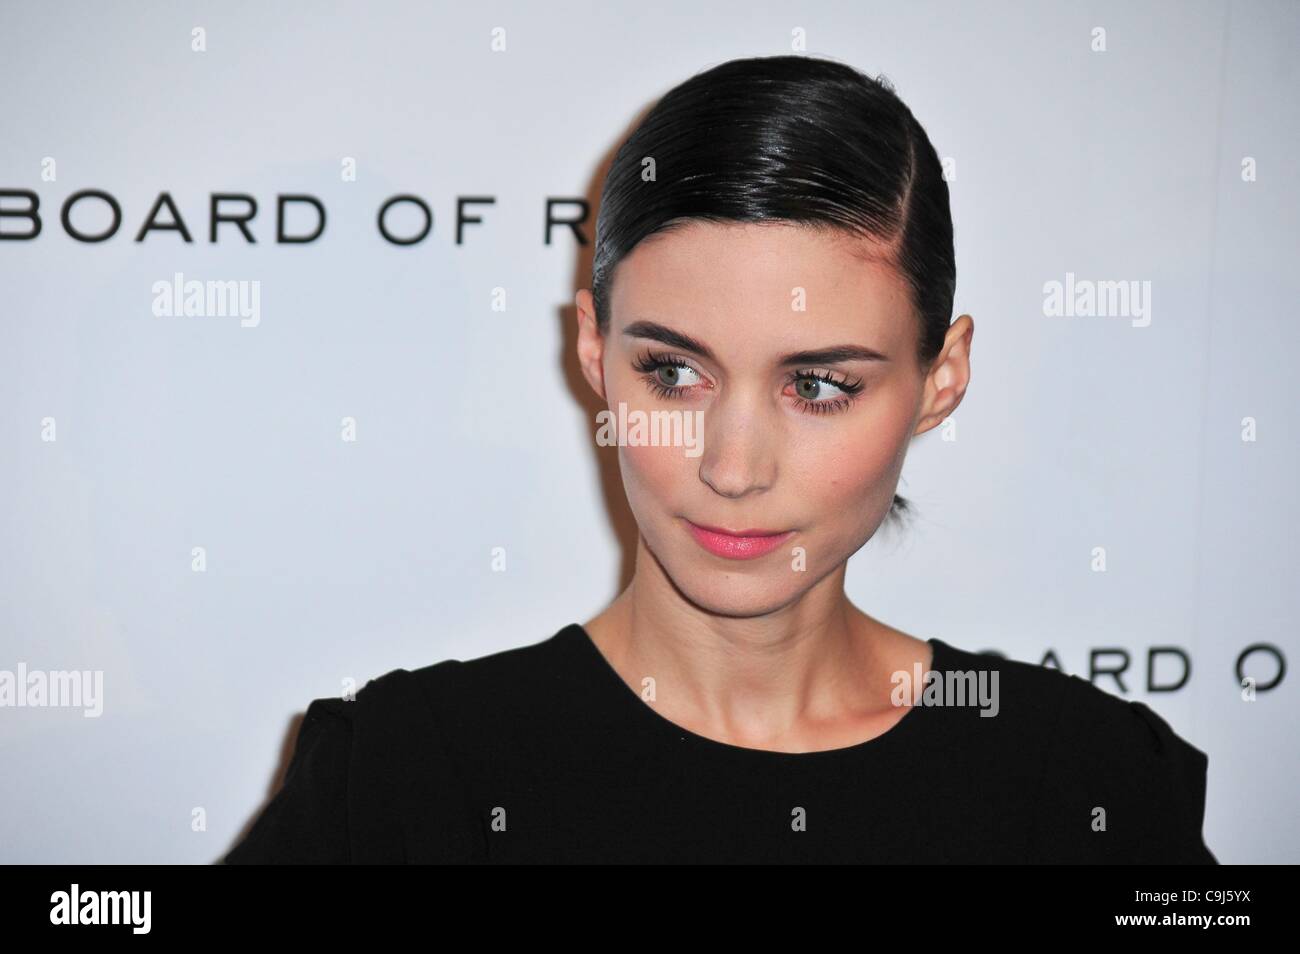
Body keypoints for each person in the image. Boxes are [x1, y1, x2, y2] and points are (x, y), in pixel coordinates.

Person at [224, 54, 1215, 864]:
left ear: (942, 377)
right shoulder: (403, 772)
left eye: (819, 385)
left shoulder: (1087, 781)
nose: (733, 470)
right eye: (675, 374)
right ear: (592, 355)